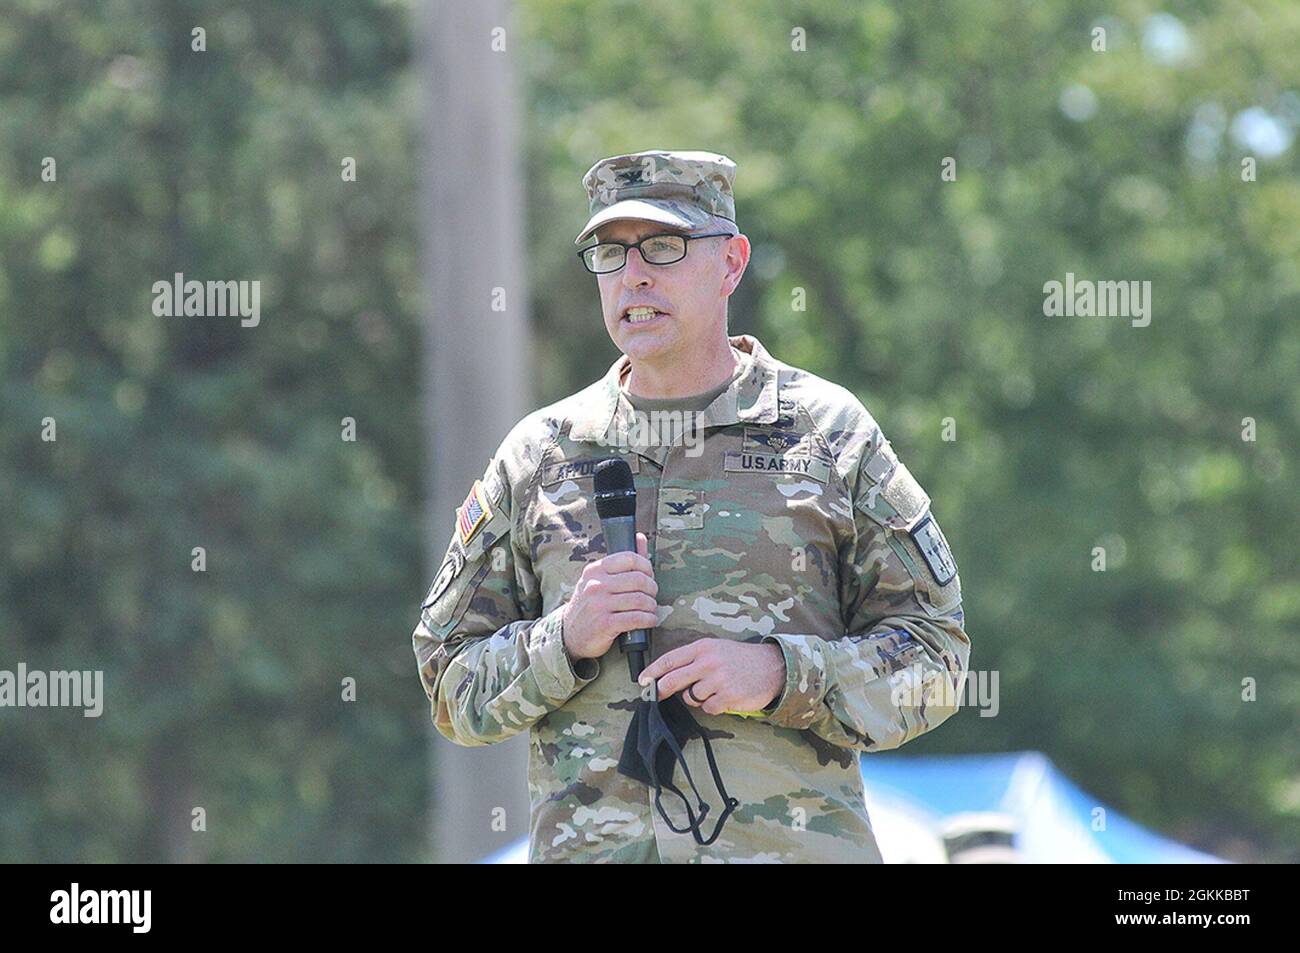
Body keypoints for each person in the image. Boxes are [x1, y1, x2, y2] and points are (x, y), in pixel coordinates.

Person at [412, 149, 971, 863]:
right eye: (611, 253)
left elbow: (938, 657)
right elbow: (447, 681)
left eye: (665, 246)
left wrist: (780, 675)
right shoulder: (540, 455)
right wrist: (565, 640)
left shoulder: (828, 435)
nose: (634, 274)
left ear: (732, 262)